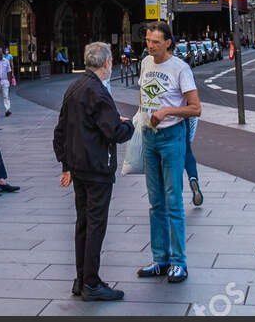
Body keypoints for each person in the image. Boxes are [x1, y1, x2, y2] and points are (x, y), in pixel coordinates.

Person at [54, 41, 134, 302]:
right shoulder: (98, 92)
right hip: (97, 167)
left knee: (83, 223)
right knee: (96, 225)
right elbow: (114, 132)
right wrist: (130, 125)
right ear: (107, 63)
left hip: (79, 167)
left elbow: (61, 131)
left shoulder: (74, 86)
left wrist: (65, 163)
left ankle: (81, 279)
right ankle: (91, 282)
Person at [136, 24, 200, 285]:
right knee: (155, 202)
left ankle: (179, 262)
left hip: (172, 137)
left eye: (155, 42)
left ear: (169, 43)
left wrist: (167, 112)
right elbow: (143, 95)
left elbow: (196, 108)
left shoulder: (180, 69)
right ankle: (160, 258)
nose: (150, 45)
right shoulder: (144, 64)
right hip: (150, 137)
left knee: (173, 200)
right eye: (148, 41)